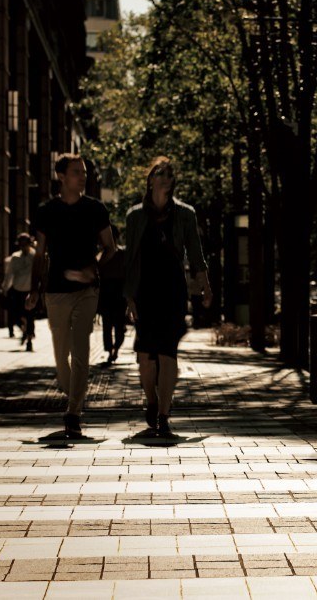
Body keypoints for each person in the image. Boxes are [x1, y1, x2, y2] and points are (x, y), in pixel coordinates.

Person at [26, 154, 116, 438]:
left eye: (84, 172)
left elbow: (110, 247)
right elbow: (40, 254)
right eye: (77, 172)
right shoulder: (46, 211)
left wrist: (93, 269)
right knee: (60, 354)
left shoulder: (95, 209)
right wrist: (34, 289)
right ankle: (72, 392)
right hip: (55, 291)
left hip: (87, 291)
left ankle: (73, 412)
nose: (83, 176)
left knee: (80, 352)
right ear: (61, 176)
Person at [124, 156, 212, 439]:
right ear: (150, 180)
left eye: (168, 175)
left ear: (173, 182)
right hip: (145, 291)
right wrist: (129, 296)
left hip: (173, 290)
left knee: (168, 352)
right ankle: (151, 399)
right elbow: (130, 259)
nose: (164, 179)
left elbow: (196, 254)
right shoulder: (135, 216)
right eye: (159, 174)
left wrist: (205, 287)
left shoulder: (185, 214)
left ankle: (163, 414)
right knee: (145, 358)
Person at [1, 232, 36, 351]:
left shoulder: (35, 256)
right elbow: (9, 274)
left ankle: (29, 340)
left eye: (25, 244)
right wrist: (5, 288)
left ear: (29, 244)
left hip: (30, 291)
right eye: (21, 245)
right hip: (17, 290)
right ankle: (24, 329)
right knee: (16, 315)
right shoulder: (15, 257)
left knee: (30, 316)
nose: (23, 247)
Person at [99, 225, 128, 365]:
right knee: (107, 325)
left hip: (119, 292)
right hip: (106, 292)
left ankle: (115, 348)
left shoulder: (123, 254)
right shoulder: (101, 255)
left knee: (119, 325)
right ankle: (110, 350)